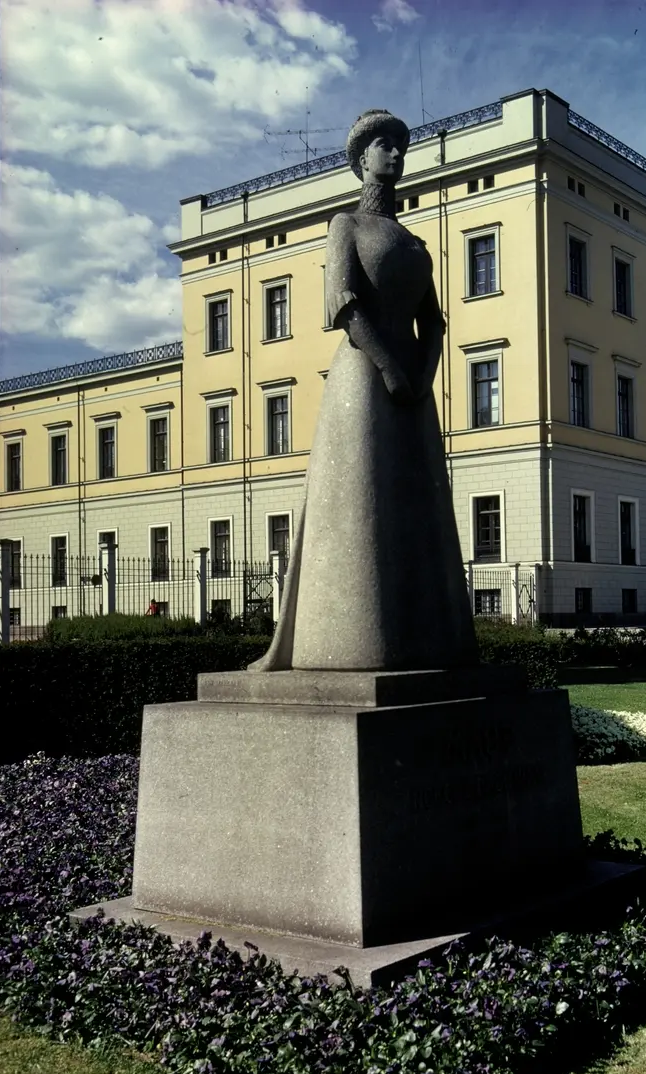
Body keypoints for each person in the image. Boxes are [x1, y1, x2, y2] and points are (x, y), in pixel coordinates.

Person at [249, 109, 478, 673]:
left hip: (412, 386)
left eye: (400, 146)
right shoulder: (344, 226)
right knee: (360, 501)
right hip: (362, 378)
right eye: (383, 144)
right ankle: (351, 640)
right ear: (361, 159)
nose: (395, 154)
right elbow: (344, 306)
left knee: (418, 507)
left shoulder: (415, 244)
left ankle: (423, 641)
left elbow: (434, 322)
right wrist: (390, 367)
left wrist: (423, 375)